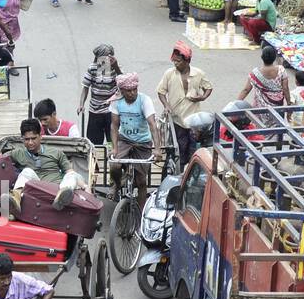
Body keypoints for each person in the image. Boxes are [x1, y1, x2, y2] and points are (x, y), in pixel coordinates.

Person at [157, 41, 212, 167]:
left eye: (178, 61)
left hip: (194, 122)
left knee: (193, 151)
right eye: (174, 61)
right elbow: (161, 92)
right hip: (177, 120)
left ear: (187, 60)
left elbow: (208, 87)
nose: (176, 64)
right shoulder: (169, 74)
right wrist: (166, 105)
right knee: (179, 151)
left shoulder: (198, 73)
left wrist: (202, 97)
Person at [110, 72, 161, 203]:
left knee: (142, 181)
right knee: (115, 166)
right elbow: (114, 126)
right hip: (124, 140)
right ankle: (116, 184)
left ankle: (141, 214)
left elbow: (153, 125)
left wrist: (157, 149)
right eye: (128, 91)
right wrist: (115, 148)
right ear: (121, 91)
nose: (132, 93)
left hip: (143, 142)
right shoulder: (117, 101)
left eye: (135, 89)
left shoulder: (144, 100)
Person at [79, 43, 121, 146]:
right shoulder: (92, 68)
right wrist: (81, 104)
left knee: (113, 141)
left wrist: (116, 67)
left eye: (108, 56)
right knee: (94, 143)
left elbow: (124, 83)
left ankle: (112, 160)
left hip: (111, 110)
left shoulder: (115, 68)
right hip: (95, 110)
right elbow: (85, 87)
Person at [9, 117, 70, 184]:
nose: (30, 143)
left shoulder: (56, 152)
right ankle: (17, 193)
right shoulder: (17, 153)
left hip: (57, 188)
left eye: (33, 138)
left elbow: (69, 171)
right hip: (34, 190)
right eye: (27, 139)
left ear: (40, 136)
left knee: (73, 176)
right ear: (22, 139)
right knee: (27, 172)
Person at [240, 45, 292, 109]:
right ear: (274, 57)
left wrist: (235, 104)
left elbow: (246, 90)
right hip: (277, 109)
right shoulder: (281, 70)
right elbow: (285, 88)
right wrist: (289, 104)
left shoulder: (255, 73)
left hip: (260, 110)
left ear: (262, 57)